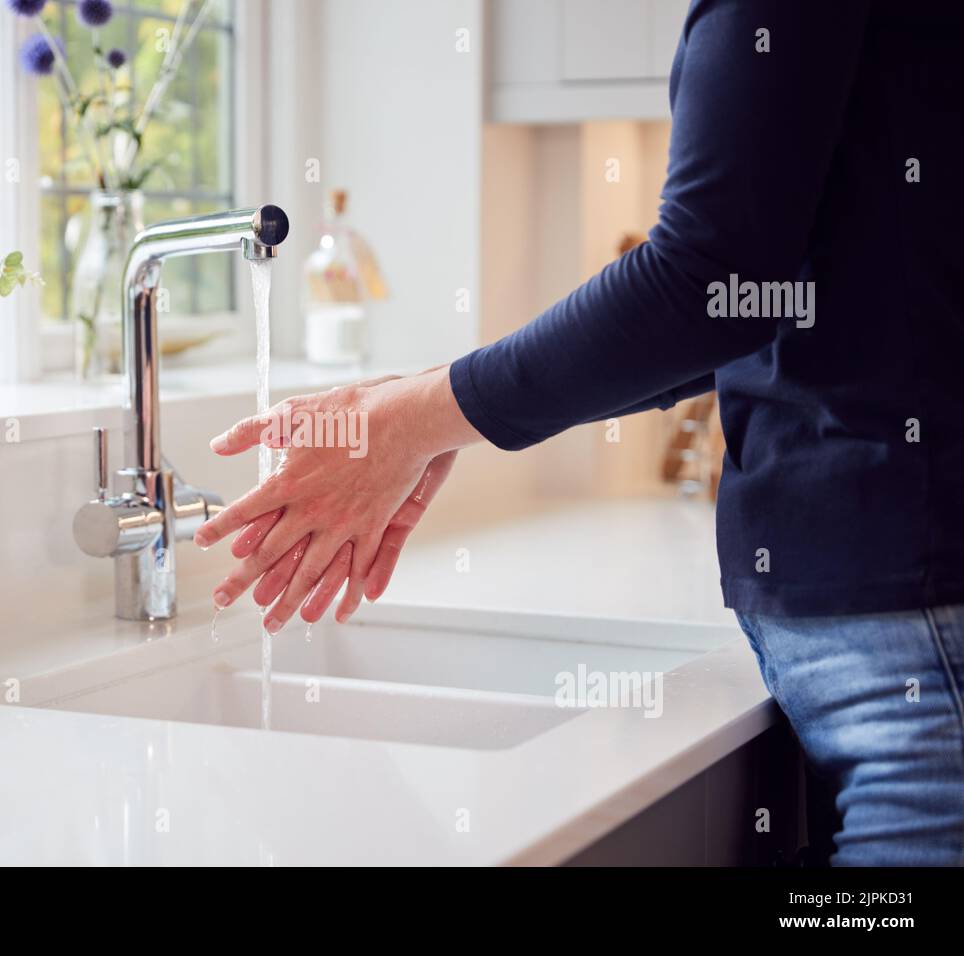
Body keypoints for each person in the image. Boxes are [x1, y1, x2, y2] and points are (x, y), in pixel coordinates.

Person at [194, 0, 964, 866]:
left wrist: (414, 421)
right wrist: (421, 408)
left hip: (908, 600)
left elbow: (707, 281)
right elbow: (759, 303)